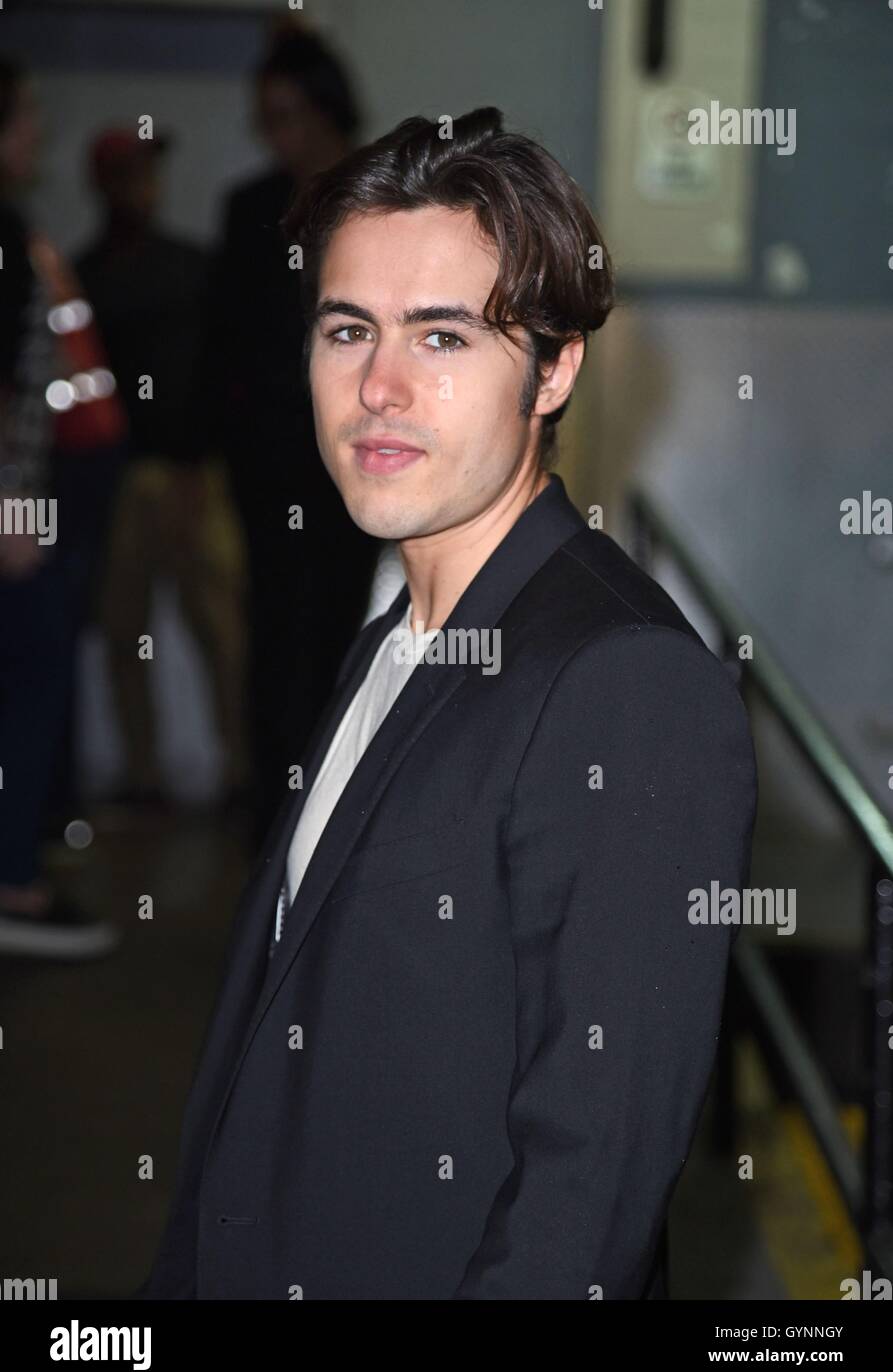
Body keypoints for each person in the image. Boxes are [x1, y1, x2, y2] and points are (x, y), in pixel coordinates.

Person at [139, 107, 758, 1300]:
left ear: (554, 365)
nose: (377, 386)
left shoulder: (624, 684)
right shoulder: (392, 635)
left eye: (441, 338)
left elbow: (587, 1194)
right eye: (346, 329)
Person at [205, 24, 380, 842]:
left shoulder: (381, 194)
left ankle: (330, 811)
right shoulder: (249, 209)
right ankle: (272, 820)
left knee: (340, 628)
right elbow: (226, 347)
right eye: (265, 117)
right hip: (269, 462)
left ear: (323, 109)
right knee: (274, 628)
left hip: (358, 457)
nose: (276, 134)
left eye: (287, 114)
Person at [76, 128, 249, 811]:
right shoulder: (87, 276)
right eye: (126, 174)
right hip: (122, 476)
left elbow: (217, 374)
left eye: (147, 173)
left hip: (194, 474)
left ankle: (241, 769)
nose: (141, 186)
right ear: (104, 183)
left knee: (223, 627)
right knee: (124, 630)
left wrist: (200, 457)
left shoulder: (191, 267)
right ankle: (143, 773)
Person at [0, 55, 123, 957]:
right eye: (26, 116)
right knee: (29, 686)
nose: (37, 132)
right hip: (17, 512)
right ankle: (16, 887)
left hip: (28, 504)